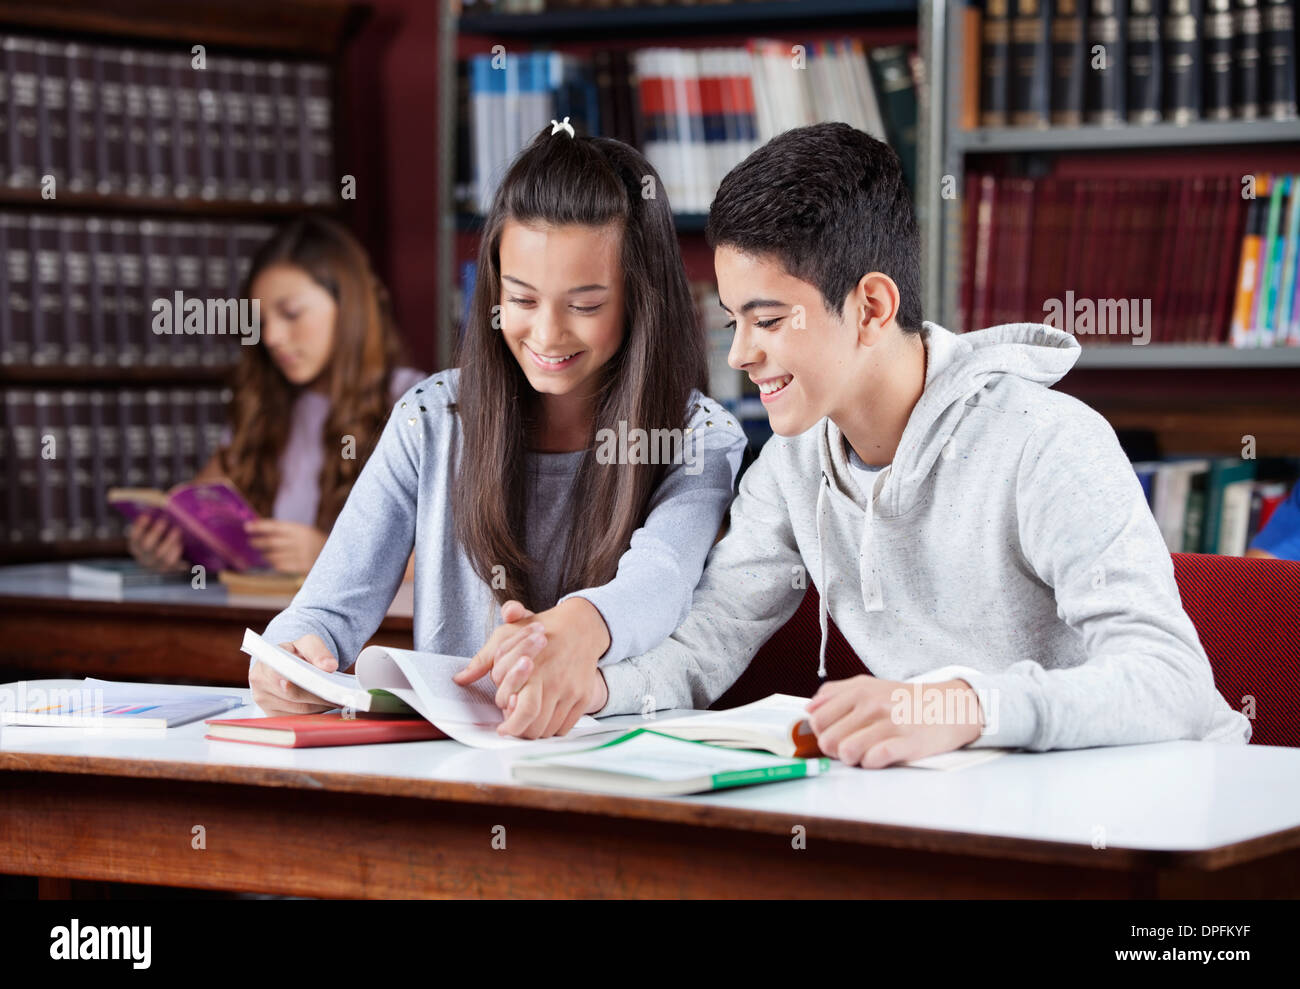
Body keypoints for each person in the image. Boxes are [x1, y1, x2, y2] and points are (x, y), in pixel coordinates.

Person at [500, 122, 1251, 760]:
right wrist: (588, 686)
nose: (739, 355)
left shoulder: (1049, 444)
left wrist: (958, 707)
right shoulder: (792, 465)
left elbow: (1172, 681)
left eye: (768, 320)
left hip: (1167, 816)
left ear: (870, 307)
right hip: (986, 813)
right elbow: (706, 642)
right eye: (735, 322)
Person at [250, 124, 748, 738]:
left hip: (618, 765)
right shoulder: (431, 418)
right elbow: (325, 609)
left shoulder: (698, 436)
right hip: (457, 768)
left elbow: (661, 580)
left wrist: (565, 631)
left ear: (640, 300)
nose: (546, 334)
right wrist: (288, 659)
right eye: (521, 299)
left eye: (585, 305)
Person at [129, 214, 425, 575]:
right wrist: (171, 550)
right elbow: (199, 521)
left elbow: (457, 560)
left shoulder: (415, 403)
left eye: (291, 313)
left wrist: (328, 556)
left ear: (348, 309)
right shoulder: (264, 409)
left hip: (376, 630)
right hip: (262, 626)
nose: (272, 338)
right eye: (262, 322)